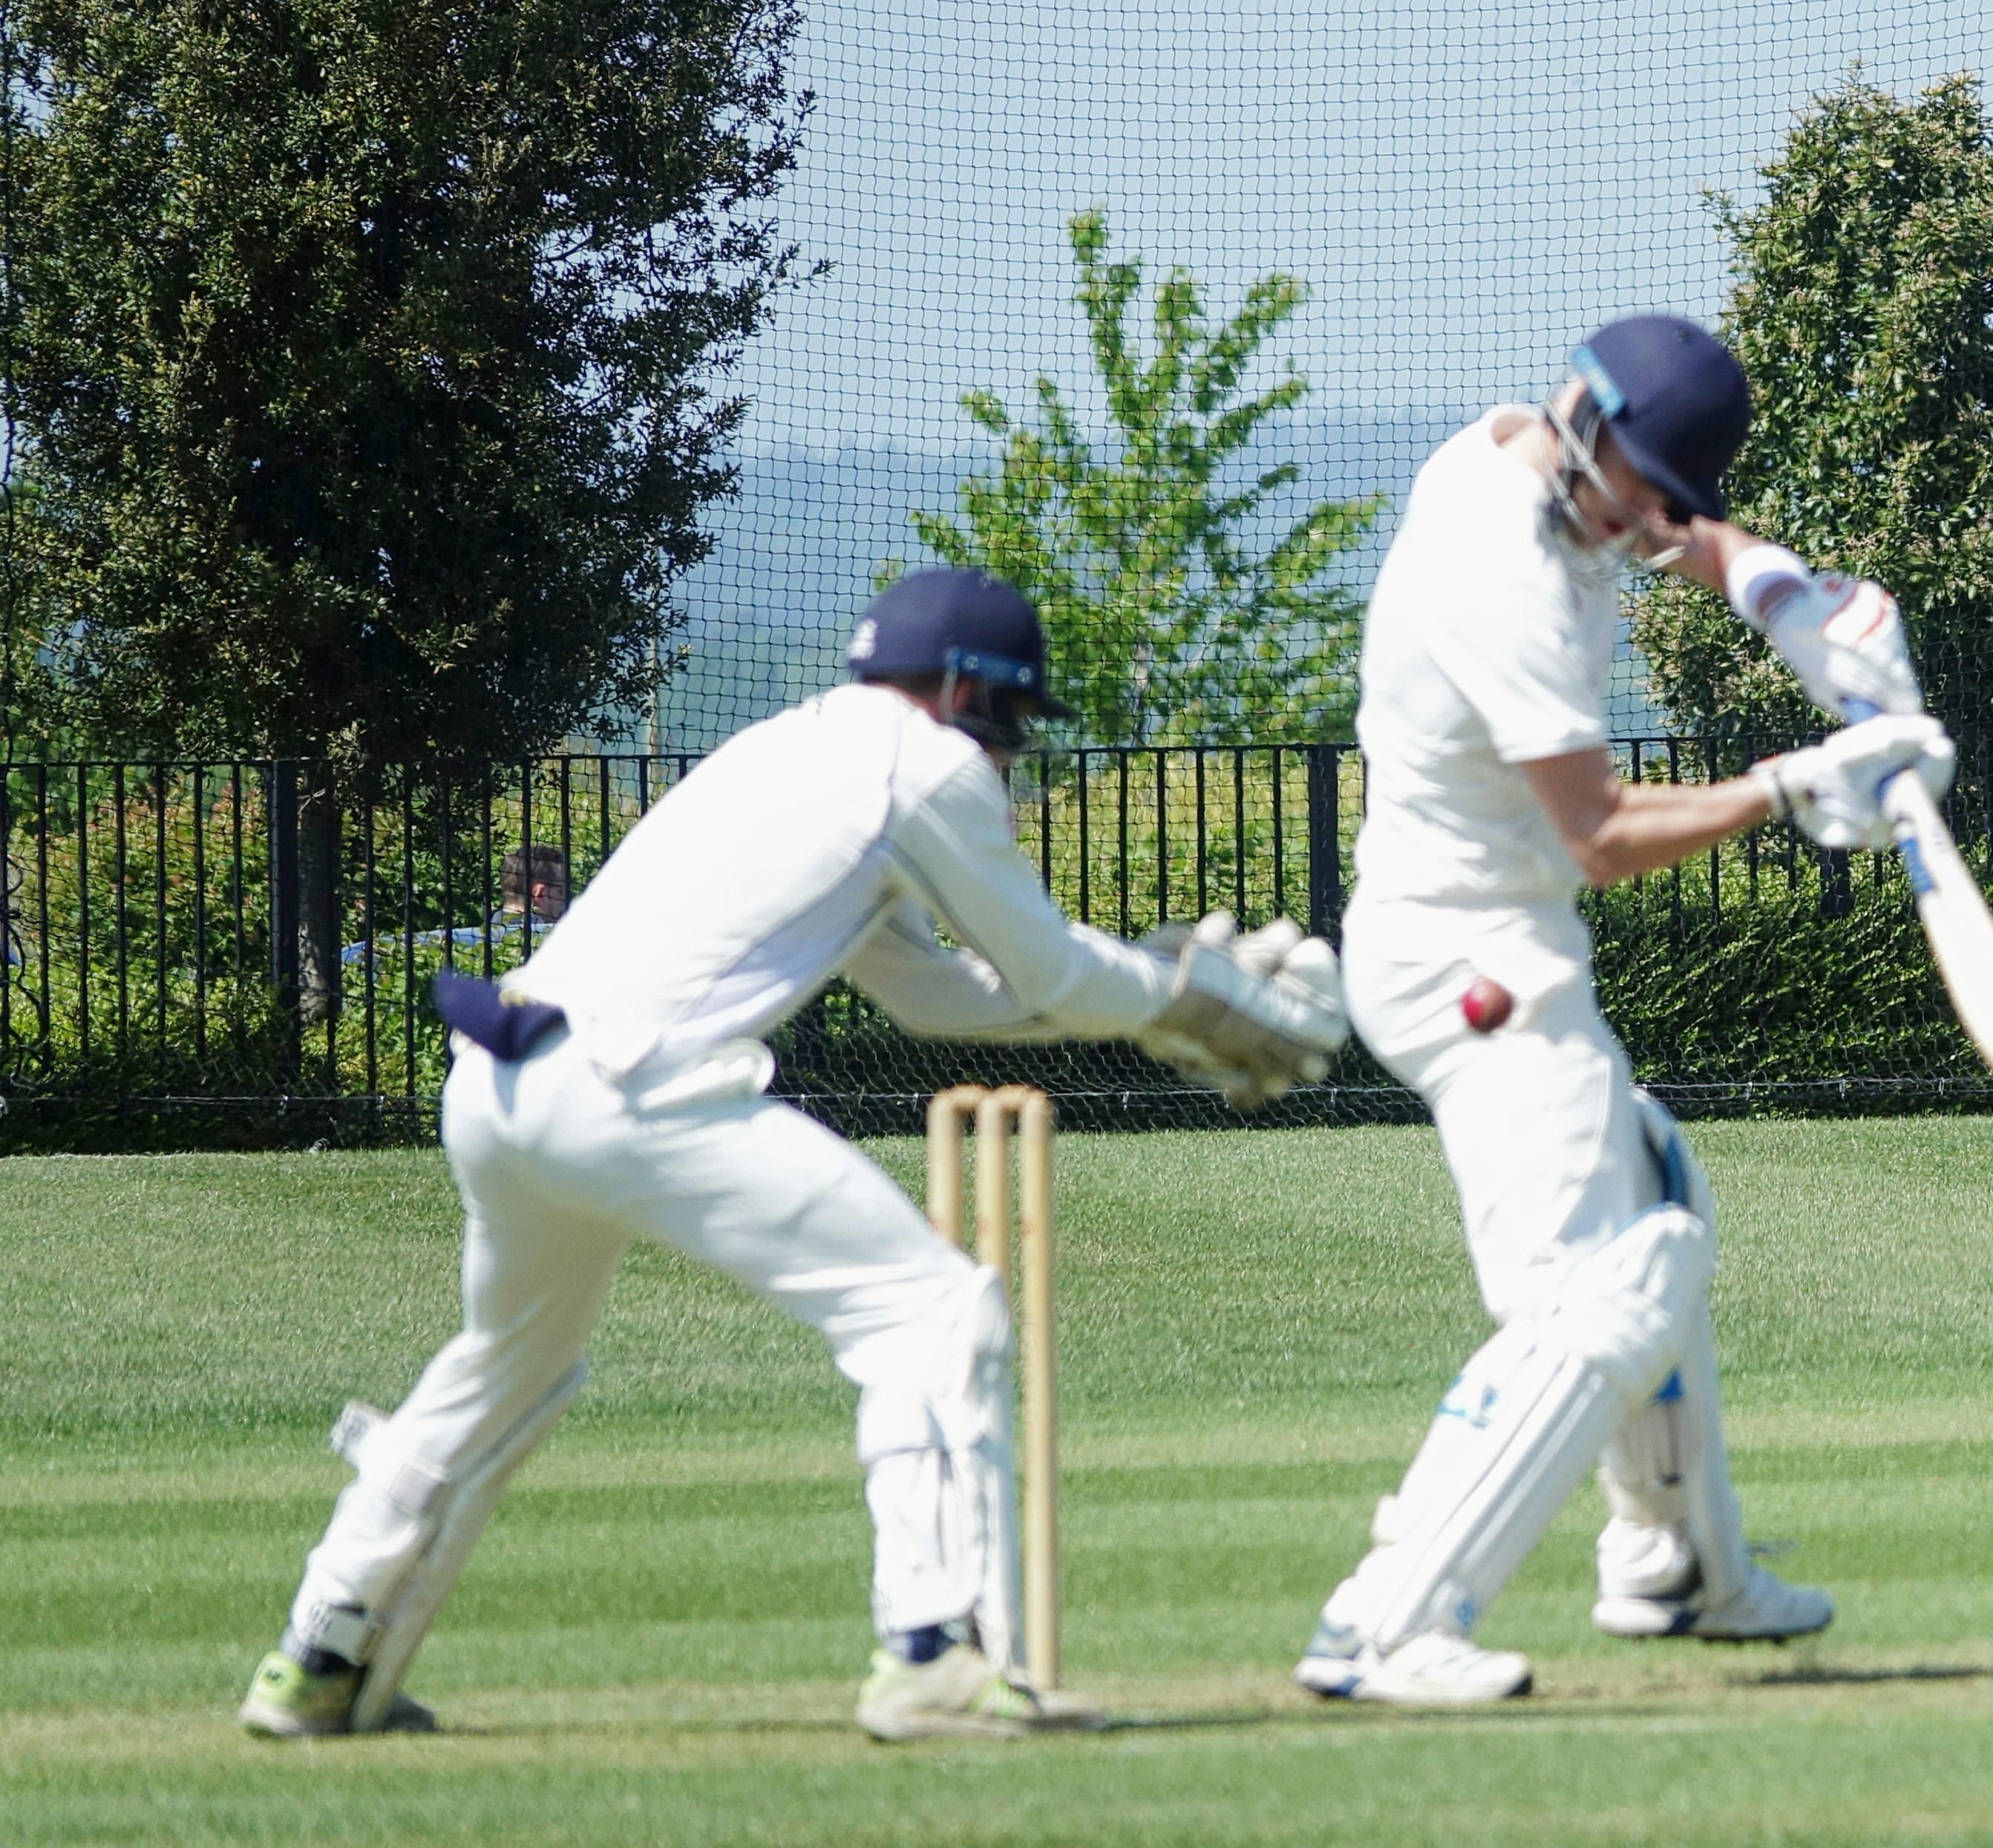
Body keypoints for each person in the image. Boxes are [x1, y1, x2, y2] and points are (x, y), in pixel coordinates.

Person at [240, 568, 1352, 1744]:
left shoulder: (801, 749)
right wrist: (1183, 995)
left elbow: (934, 995)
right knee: (929, 1310)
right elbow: (1048, 970)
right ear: (971, 690)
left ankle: (324, 1651)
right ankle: (931, 1654)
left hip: (506, 1083)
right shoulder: (928, 768)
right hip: (636, 1086)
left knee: (506, 1364)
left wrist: (1154, 1000)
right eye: (1017, 719)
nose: (1015, 752)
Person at [1295, 315, 1952, 1708]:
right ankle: (1387, 1617)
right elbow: (1594, 832)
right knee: (1605, 1287)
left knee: (1661, 1189)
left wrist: (1806, 609)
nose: (1654, 518)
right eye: (1646, 485)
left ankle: (1678, 1566)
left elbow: (1694, 537)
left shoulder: (1525, 453)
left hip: (1487, 936)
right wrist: (1794, 782)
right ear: (1592, 436)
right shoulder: (1510, 576)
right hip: (1467, 961)